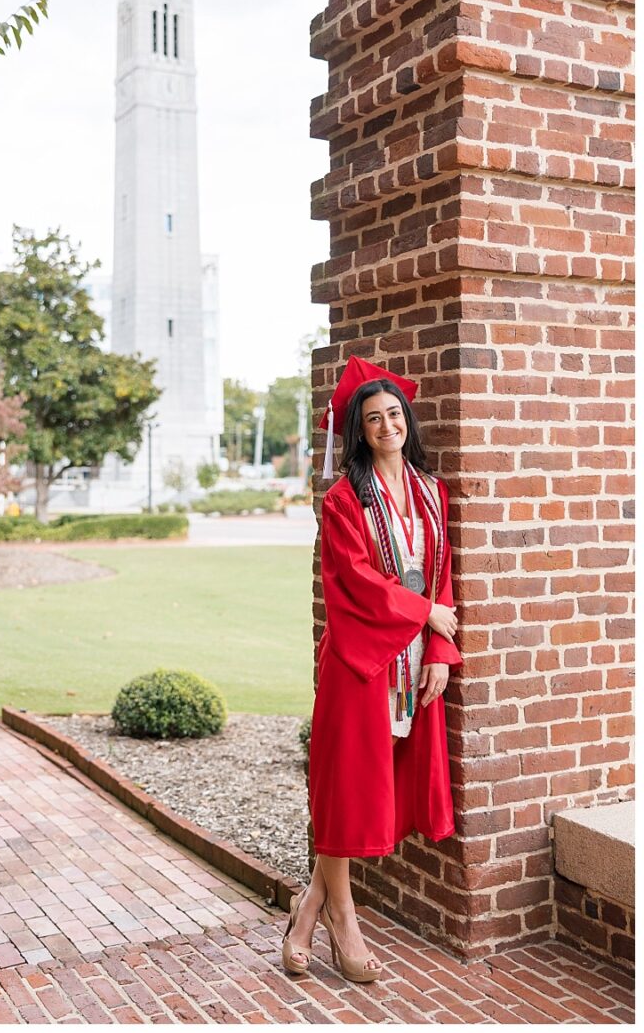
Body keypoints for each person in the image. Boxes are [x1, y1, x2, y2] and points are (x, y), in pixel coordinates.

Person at [285, 356, 461, 982]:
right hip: (362, 664)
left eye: (394, 415)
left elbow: (443, 578)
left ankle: (309, 907)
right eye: (373, 419)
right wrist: (425, 618)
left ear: (407, 421)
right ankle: (345, 918)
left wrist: (438, 649)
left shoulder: (430, 494)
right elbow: (354, 583)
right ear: (359, 431)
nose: (386, 425)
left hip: (413, 665)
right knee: (347, 791)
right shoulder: (343, 499)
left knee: (368, 790)